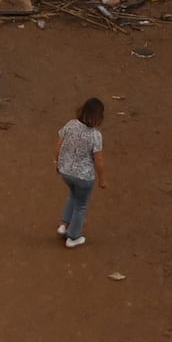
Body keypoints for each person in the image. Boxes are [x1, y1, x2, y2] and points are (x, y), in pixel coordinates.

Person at [55, 97, 106, 248]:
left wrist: (56, 162)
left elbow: (59, 145)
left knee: (73, 195)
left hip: (66, 172)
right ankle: (73, 236)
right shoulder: (95, 135)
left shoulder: (70, 125)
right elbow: (99, 160)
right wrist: (102, 179)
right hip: (84, 177)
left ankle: (63, 224)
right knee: (81, 205)